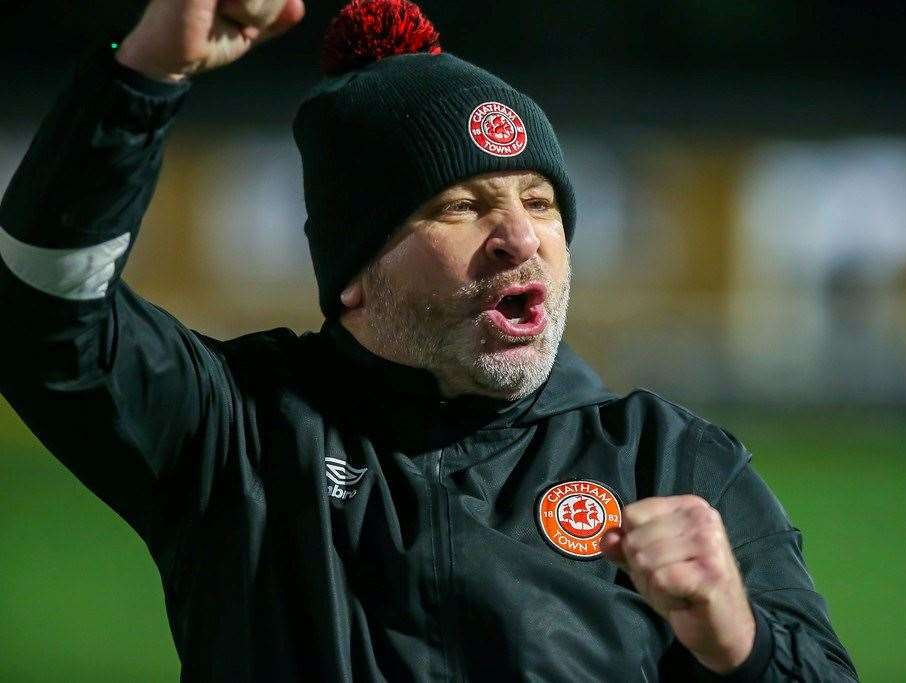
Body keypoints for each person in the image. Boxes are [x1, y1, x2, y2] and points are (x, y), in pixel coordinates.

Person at [0, 0, 858, 680]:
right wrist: (146, 74)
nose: (520, 238)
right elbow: (42, 307)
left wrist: (739, 646)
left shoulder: (669, 461)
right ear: (354, 270)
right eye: (461, 206)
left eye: (539, 200)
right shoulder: (241, 433)